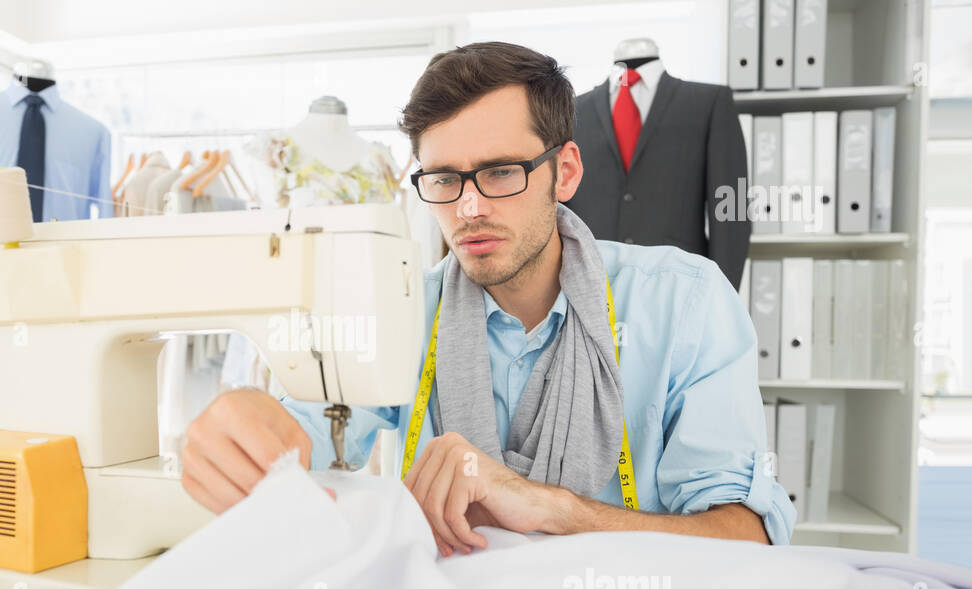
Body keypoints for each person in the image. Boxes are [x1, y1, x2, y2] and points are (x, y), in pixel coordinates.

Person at [180, 42, 795, 556]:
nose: (469, 208)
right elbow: (304, 428)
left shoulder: (685, 305)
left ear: (568, 172)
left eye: (501, 171)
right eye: (444, 179)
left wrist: (553, 509)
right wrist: (245, 425)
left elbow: (747, 540)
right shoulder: (399, 314)